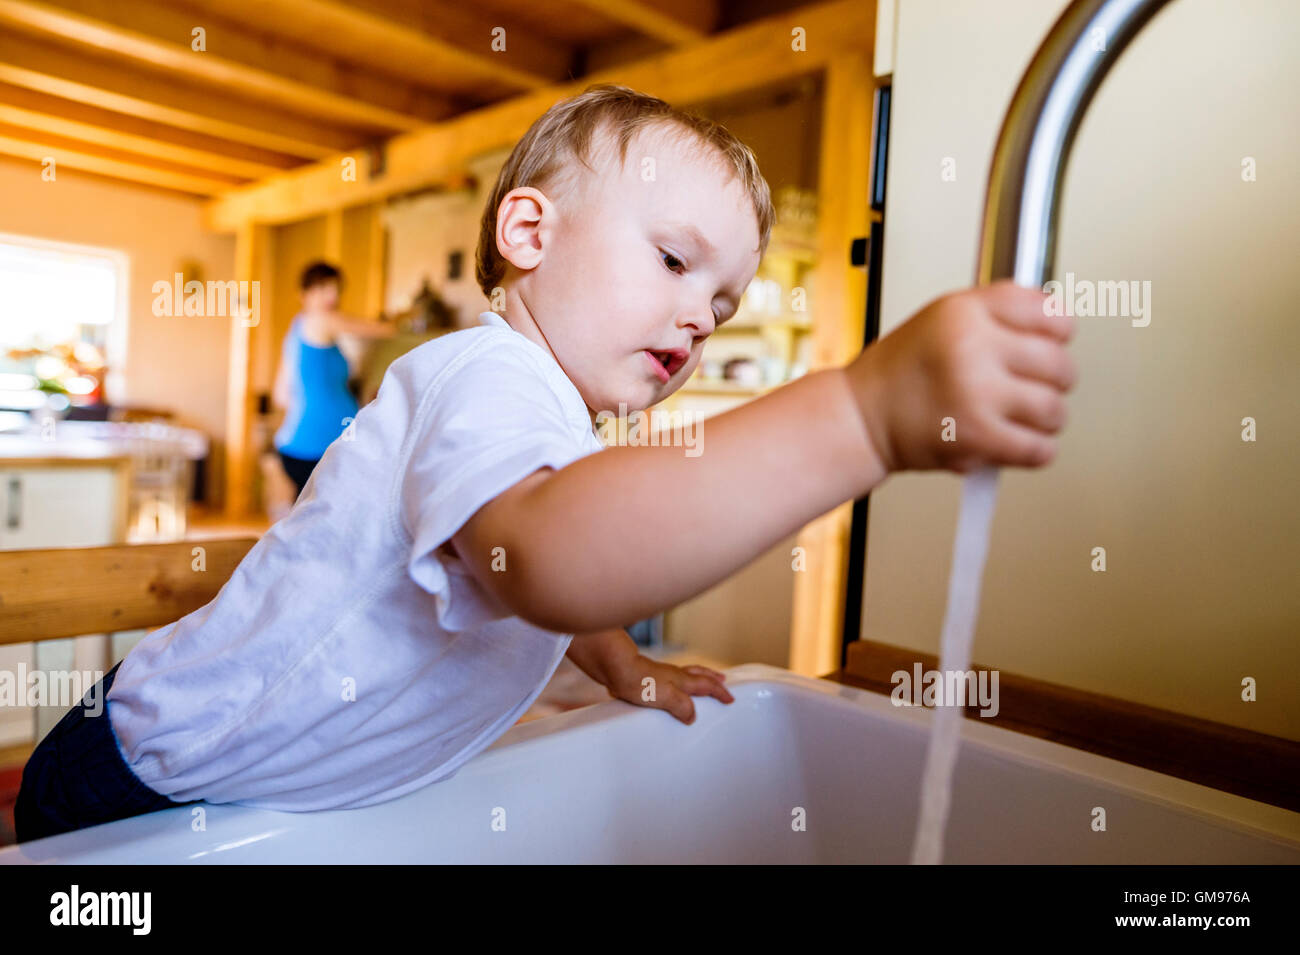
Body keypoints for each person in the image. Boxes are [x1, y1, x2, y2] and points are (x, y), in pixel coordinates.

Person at [14, 84, 1075, 841]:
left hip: (250, 793)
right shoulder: (486, 374)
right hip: (140, 782)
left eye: (721, 305)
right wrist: (860, 415)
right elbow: (550, 561)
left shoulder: (546, 418)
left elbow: (539, 576)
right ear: (529, 230)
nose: (694, 317)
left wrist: (618, 663)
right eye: (672, 260)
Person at [272, 261, 395, 499]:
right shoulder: (321, 319)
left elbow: (281, 395)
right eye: (323, 288)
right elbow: (385, 331)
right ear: (304, 294)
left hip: (296, 443)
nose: (332, 294)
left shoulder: (297, 327)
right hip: (317, 447)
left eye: (336, 288)